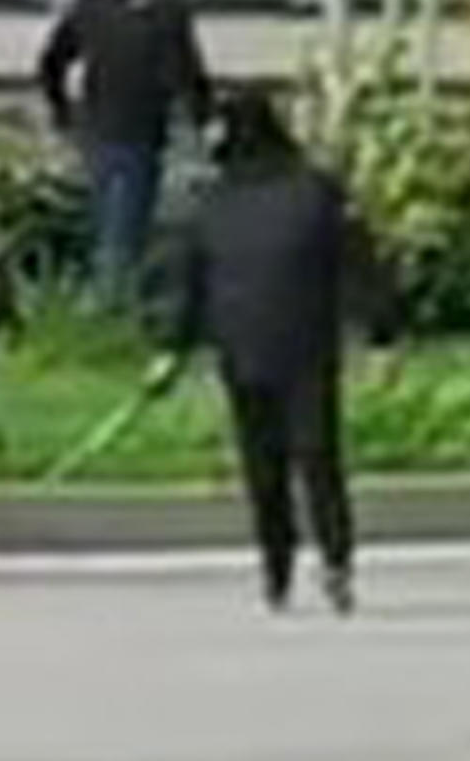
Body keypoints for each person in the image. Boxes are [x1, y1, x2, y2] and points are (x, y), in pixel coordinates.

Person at [157, 84, 397, 616]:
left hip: (242, 346)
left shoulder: (214, 202)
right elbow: (359, 265)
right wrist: (380, 333)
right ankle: (333, 558)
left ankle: (278, 567)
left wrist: (172, 348)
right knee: (317, 456)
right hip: (306, 344)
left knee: (263, 465)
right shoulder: (316, 190)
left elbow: (190, 283)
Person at [38, 0, 212, 299]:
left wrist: (60, 109)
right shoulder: (168, 13)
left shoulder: (93, 5)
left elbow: (52, 60)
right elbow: (184, 76)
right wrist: (203, 120)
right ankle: (112, 307)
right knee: (124, 237)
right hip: (139, 132)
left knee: (106, 223)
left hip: (94, 127)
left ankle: (102, 297)